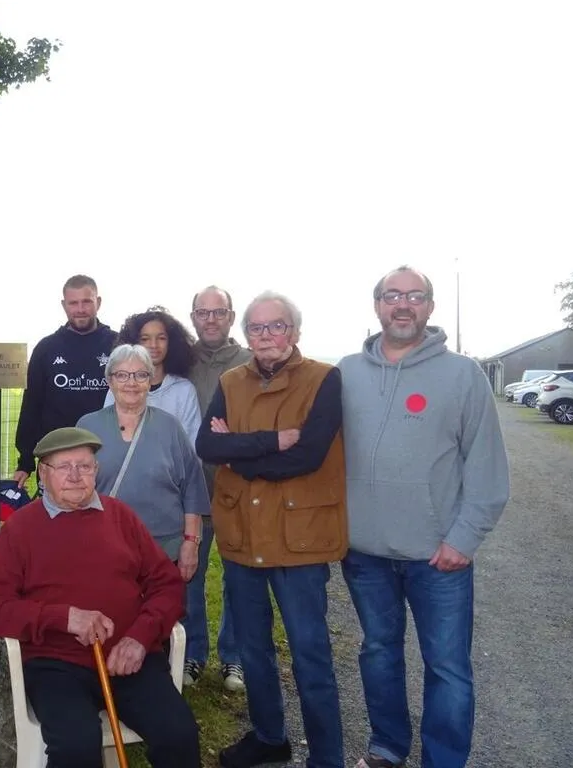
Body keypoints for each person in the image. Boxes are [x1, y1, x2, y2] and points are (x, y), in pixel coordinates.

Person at [337, 266, 510, 768]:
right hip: (364, 553)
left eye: (415, 296)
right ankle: (387, 747)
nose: (403, 304)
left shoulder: (463, 375)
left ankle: (443, 760)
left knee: (448, 668)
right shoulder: (346, 372)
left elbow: (487, 466)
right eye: (393, 295)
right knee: (378, 653)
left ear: (430, 307)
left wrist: (464, 539)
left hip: (439, 557)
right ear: (377, 305)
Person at [0, 427, 200, 768]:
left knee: (178, 734)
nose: (75, 476)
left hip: (129, 657)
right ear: (43, 473)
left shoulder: (120, 516)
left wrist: (140, 638)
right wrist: (64, 618)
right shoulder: (20, 529)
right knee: (76, 746)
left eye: (84, 466)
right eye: (64, 467)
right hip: (56, 665)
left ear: (96, 470)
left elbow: (167, 585)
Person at [196, 290, 346, 768]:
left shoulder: (324, 379)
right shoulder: (231, 381)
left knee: (310, 653)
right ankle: (268, 737)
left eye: (276, 326)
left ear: (295, 331)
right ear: (246, 334)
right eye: (257, 328)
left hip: (298, 539)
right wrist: (271, 442)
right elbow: (207, 446)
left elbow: (309, 455)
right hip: (242, 535)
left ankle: (327, 756)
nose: (266, 336)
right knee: (253, 649)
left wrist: (239, 454)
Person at [78, 344, 209, 577]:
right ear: (110, 381)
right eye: (122, 375)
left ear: (149, 381)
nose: (132, 383)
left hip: (164, 550)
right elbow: (73, 487)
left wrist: (191, 541)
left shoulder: (170, 427)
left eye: (140, 375)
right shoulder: (88, 427)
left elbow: (192, 487)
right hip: (104, 546)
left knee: (165, 601)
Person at [183, 285, 250, 692]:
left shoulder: (249, 361)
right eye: (203, 312)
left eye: (218, 312)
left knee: (237, 576)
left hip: (236, 490)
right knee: (188, 574)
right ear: (193, 317)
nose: (210, 319)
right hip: (190, 491)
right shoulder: (181, 361)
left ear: (231, 316)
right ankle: (193, 653)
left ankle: (234, 657)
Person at [12, 275, 117, 488]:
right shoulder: (46, 348)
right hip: (57, 458)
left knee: (106, 510)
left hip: (107, 457)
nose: (80, 309)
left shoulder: (118, 345)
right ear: (63, 305)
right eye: (73, 303)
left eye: (86, 301)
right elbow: (31, 405)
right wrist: (25, 461)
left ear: (98, 302)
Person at [104, 306, 201, 443]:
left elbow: (191, 444)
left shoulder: (184, 390)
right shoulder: (120, 388)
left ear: (171, 342)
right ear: (134, 343)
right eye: (145, 339)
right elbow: (107, 437)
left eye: (161, 338)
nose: (153, 345)